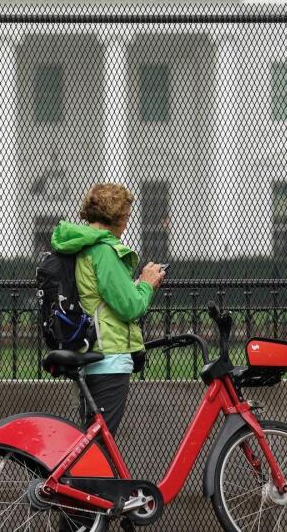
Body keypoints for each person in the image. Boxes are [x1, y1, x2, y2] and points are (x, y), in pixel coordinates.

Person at [50, 183, 166, 434]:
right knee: (99, 445)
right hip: (109, 353)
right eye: (126, 215)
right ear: (116, 216)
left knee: (90, 438)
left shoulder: (80, 244)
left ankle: (74, 474)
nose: (127, 223)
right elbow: (130, 307)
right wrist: (146, 284)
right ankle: (77, 475)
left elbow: (100, 296)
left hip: (91, 347)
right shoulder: (104, 250)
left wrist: (133, 286)